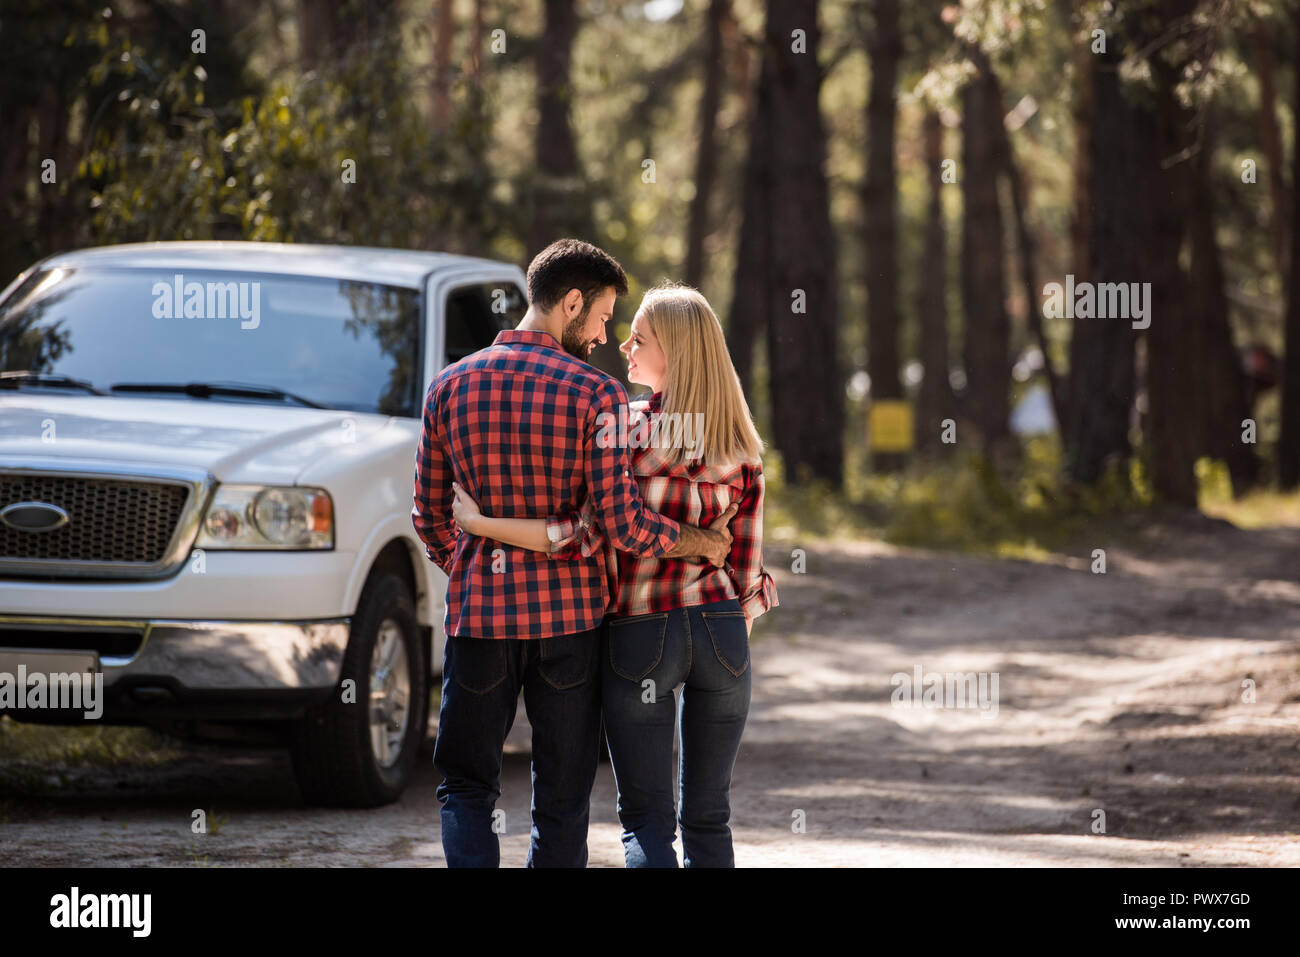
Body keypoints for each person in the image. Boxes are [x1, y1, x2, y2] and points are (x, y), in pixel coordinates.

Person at [412, 240, 734, 868]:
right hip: (570, 628)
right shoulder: (598, 395)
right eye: (603, 315)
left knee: (465, 787)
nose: (605, 333)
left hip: (479, 624)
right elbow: (623, 524)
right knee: (560, 798)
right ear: (572, 302)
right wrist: (700, 541)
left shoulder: (447, 388)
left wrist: (477, 567)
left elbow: (428, 516)